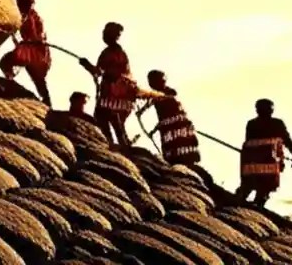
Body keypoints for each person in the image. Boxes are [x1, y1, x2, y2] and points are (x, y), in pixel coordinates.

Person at [80, 22, 138, 150]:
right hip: (116, 95)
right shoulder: (113, 52)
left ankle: (115, 145)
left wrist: (87, 65)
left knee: (106, 118)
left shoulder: (113, 53)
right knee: (109, 120)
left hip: (114, 95)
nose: (104, 35)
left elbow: (100, 72)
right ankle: (115, 144)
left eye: (106, 33)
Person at [236, 99, 292, 208]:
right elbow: (288, 141)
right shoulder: (277, 124)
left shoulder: (251, 124)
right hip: (269, 165)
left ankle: (242, 197)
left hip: (251, 165)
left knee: (248, 186)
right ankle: (258, 201)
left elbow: (248, 145)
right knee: (264, 188)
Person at [0, 0, 52, 106]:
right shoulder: (26, 15)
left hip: (35, 51)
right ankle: (10, 82)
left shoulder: (33, 17)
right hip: (32, 50)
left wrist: (28, 42)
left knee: (8, 63)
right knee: (37, 77)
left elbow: (37, 35)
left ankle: (10, 83)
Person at [137, 70, 201, 166]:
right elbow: (149, 104)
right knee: (173, 148)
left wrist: (154, 129)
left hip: (177, 126)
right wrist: (141, 112)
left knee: (180, 146)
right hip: (170, 127)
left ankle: (184, 163)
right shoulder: (157, 95)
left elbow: (170, 116)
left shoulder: (167, 94)